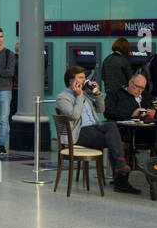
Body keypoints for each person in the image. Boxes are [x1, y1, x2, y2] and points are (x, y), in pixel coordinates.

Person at [56, 66, 138, 194]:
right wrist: (79, 96)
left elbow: (101, 110)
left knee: (111, 126)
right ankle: (121, 177)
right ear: (71, 80)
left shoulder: (85, 95)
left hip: (94, 128)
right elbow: (74, 116)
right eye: (81, 78)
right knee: (114, 141)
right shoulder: (63, 97)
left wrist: (97, 94)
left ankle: (120, 167)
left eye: (84, 77)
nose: (84, 80)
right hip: (78, 133)